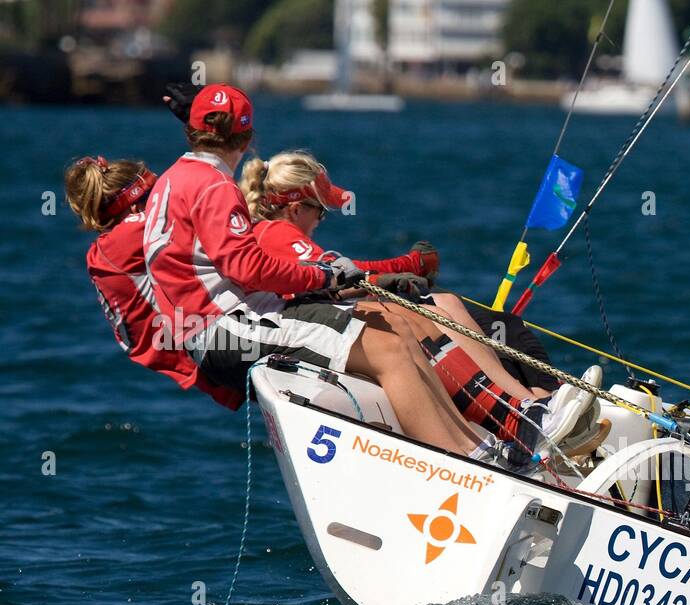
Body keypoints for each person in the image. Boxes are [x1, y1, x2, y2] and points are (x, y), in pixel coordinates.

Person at [137, 83, 591, 461]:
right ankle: (477, 457)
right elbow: (247, 266)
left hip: (213, 329)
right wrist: (337, 278)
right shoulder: (215, 185)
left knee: (401, 324)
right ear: (247, 138)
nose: (321, 217)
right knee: (389, 349)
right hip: (227, 329)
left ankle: (509, 425)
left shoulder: (172, 180)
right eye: (319, 210)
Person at [238, 148, 602, 455]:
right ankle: (522, 413)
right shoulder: (276, 232)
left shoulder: (277, 233)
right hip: (312, 329)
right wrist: (406, 266)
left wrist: (400, 272)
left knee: (447, 303)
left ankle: (528, 406)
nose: (321, 220)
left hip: (318, 320)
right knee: (431, 310)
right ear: (295, 207)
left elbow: (333, 274)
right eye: (319, 211)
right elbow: (336, 273)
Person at [65, 155, 242, 409]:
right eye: (153, 197)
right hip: (204, 355)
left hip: (192, 358)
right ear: (134, 206)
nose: (160, 202)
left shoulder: (106, 249)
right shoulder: (125, 239)